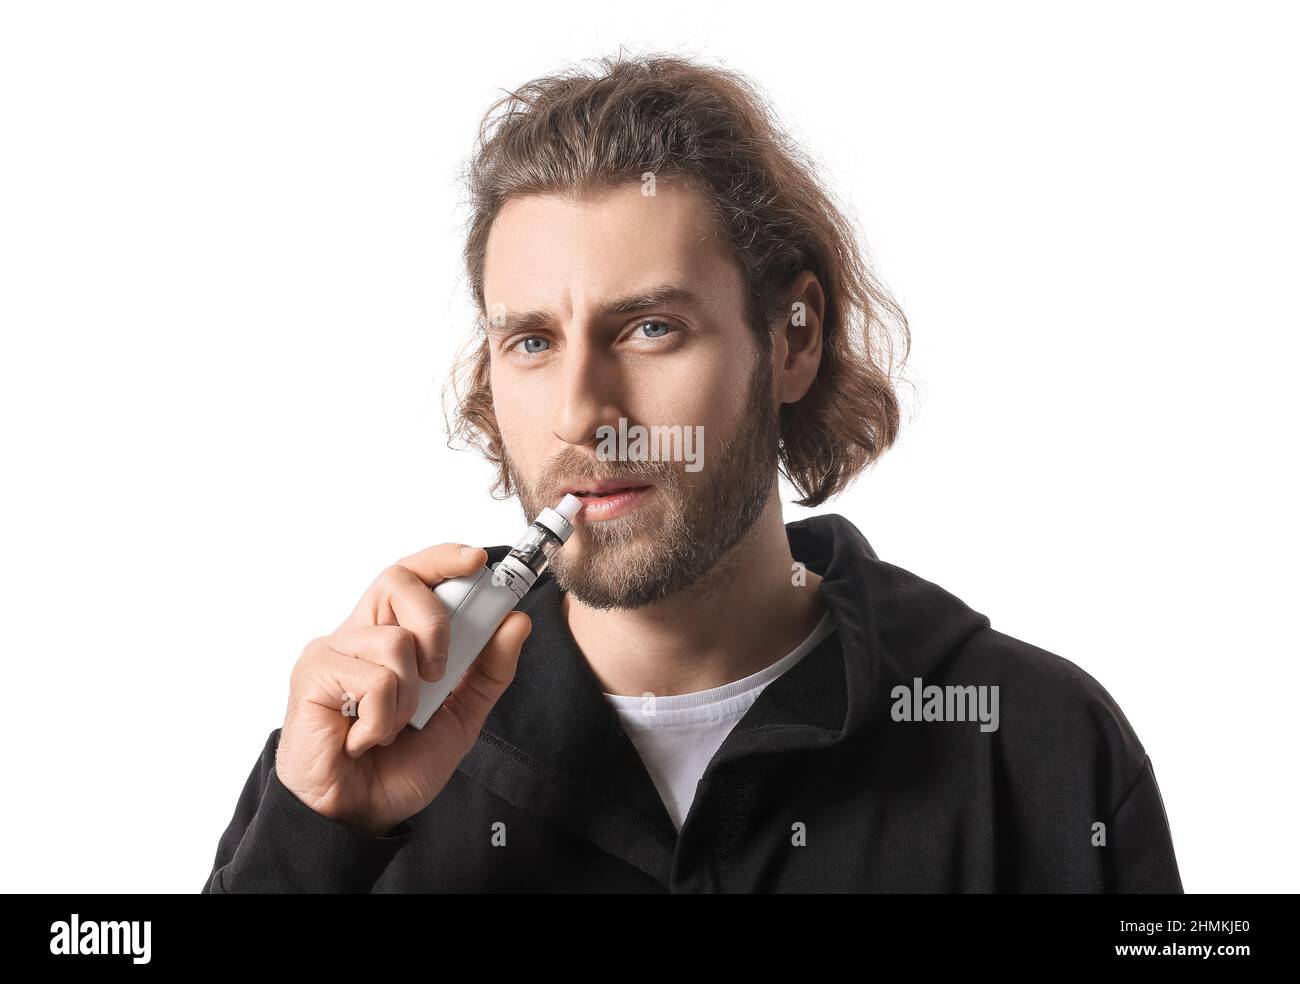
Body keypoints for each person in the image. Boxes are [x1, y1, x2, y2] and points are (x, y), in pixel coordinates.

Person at [202, 53, 1182, 893]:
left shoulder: (1039, 750)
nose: (584, 411)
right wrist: (316, 841)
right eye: (533, 341)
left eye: (650, 327)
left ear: (792, 342)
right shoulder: (366, 748)